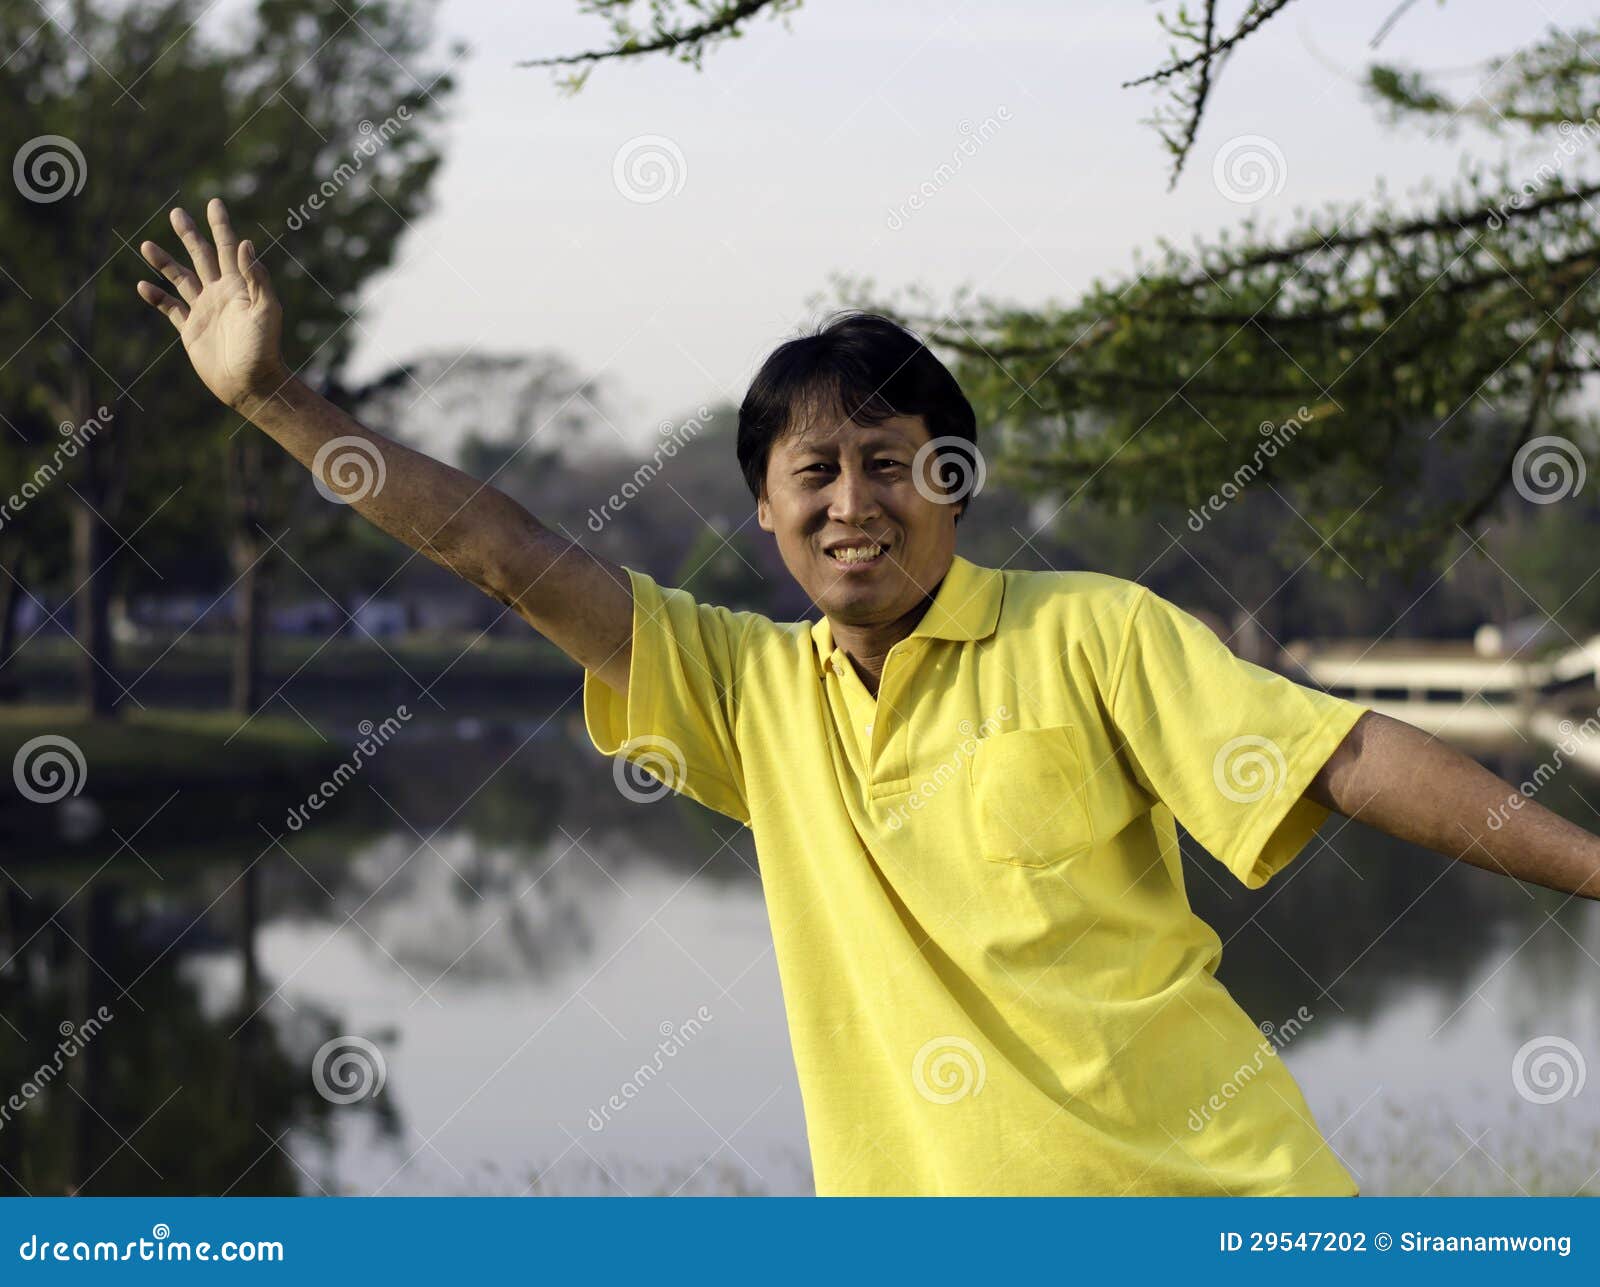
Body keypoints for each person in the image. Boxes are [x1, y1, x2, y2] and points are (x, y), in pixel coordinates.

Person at [138, 198, 1600, 1197]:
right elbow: (505, 557)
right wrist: (278, 401)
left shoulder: (1092, 633)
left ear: (952, 486)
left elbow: (1344, 757)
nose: (855, 504)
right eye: (814, 476)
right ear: (766, 517)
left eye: (891, 463)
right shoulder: (744, 688)